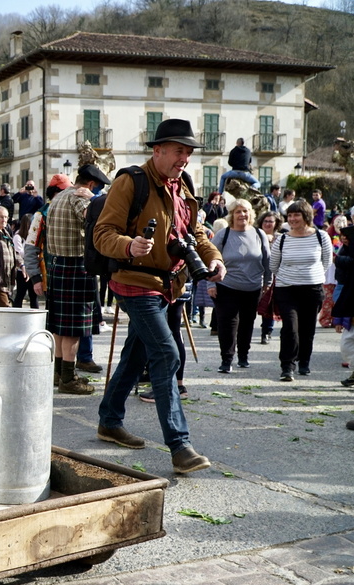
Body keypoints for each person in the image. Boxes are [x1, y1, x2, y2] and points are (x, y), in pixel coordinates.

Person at [93, 118, 225, 474]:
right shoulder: (130, 181)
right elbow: (102, 234)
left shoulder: (182, 187)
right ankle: (180, 446)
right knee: (165, 353)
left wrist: (214, 258)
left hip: (168, 285)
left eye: (188, 152)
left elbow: (194, 233)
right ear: (158, 150)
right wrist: (128, 245)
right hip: (133, 281)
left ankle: (109, 420)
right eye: (179, 151)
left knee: (137, 355)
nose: (185, 158)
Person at [47, 164, 111, 394]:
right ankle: (68, 378)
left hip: (57, 265)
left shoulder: (59, 197)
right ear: (91, 185)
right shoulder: (78, 197)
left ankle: (57, 374)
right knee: (73, 328)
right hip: (76, 265)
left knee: (59, 328)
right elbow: (93, 216)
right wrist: (95, 201)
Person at [269, 200, 332, 381]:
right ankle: (287, 366)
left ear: (306, 216)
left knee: (307, 328)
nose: (292, 219)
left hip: (312, 289)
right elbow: (274, 265)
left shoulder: (321, 236)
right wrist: (289, 276)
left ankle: (304, 361)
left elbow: (326, 262)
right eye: (289, 215)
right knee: (290, 327)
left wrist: (311, 275)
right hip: (287, 289)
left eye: (296, 215)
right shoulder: (282, 239)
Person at [208, 199, 271, 372]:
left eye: (245, 211)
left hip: (253, 287)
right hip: (226, 285)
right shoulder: (224, 234)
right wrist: (210, 284)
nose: (242, 214)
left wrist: (268, 282)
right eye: (238, 211)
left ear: (251, 214)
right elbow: (212, 260)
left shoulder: (259, 234)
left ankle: (243, 356)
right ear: (232, 215)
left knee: (247, 323)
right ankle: (226, 360)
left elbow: (267, 259)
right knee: (227, 323)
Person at [255, 210, 284, 344]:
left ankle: (266, 332)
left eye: (270, 221)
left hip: (274, 276)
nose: (267, 224)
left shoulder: (281, 237)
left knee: (269, 306)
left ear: (276, 223)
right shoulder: (255, 235)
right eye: (265, 221)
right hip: (256, 274)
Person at [332, 225, 354, 389]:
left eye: (347, 236)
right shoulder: (345, 251)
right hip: (350, 308)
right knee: (346, 345)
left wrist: (338, 260)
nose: (344, 239)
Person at [12, 213, 39, 309]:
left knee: (34, 296)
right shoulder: (18, 236)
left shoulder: (34, 236)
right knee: (20, 294)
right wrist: (32, 253)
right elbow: (19, 252)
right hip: (22, 270)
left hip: (33, 269)